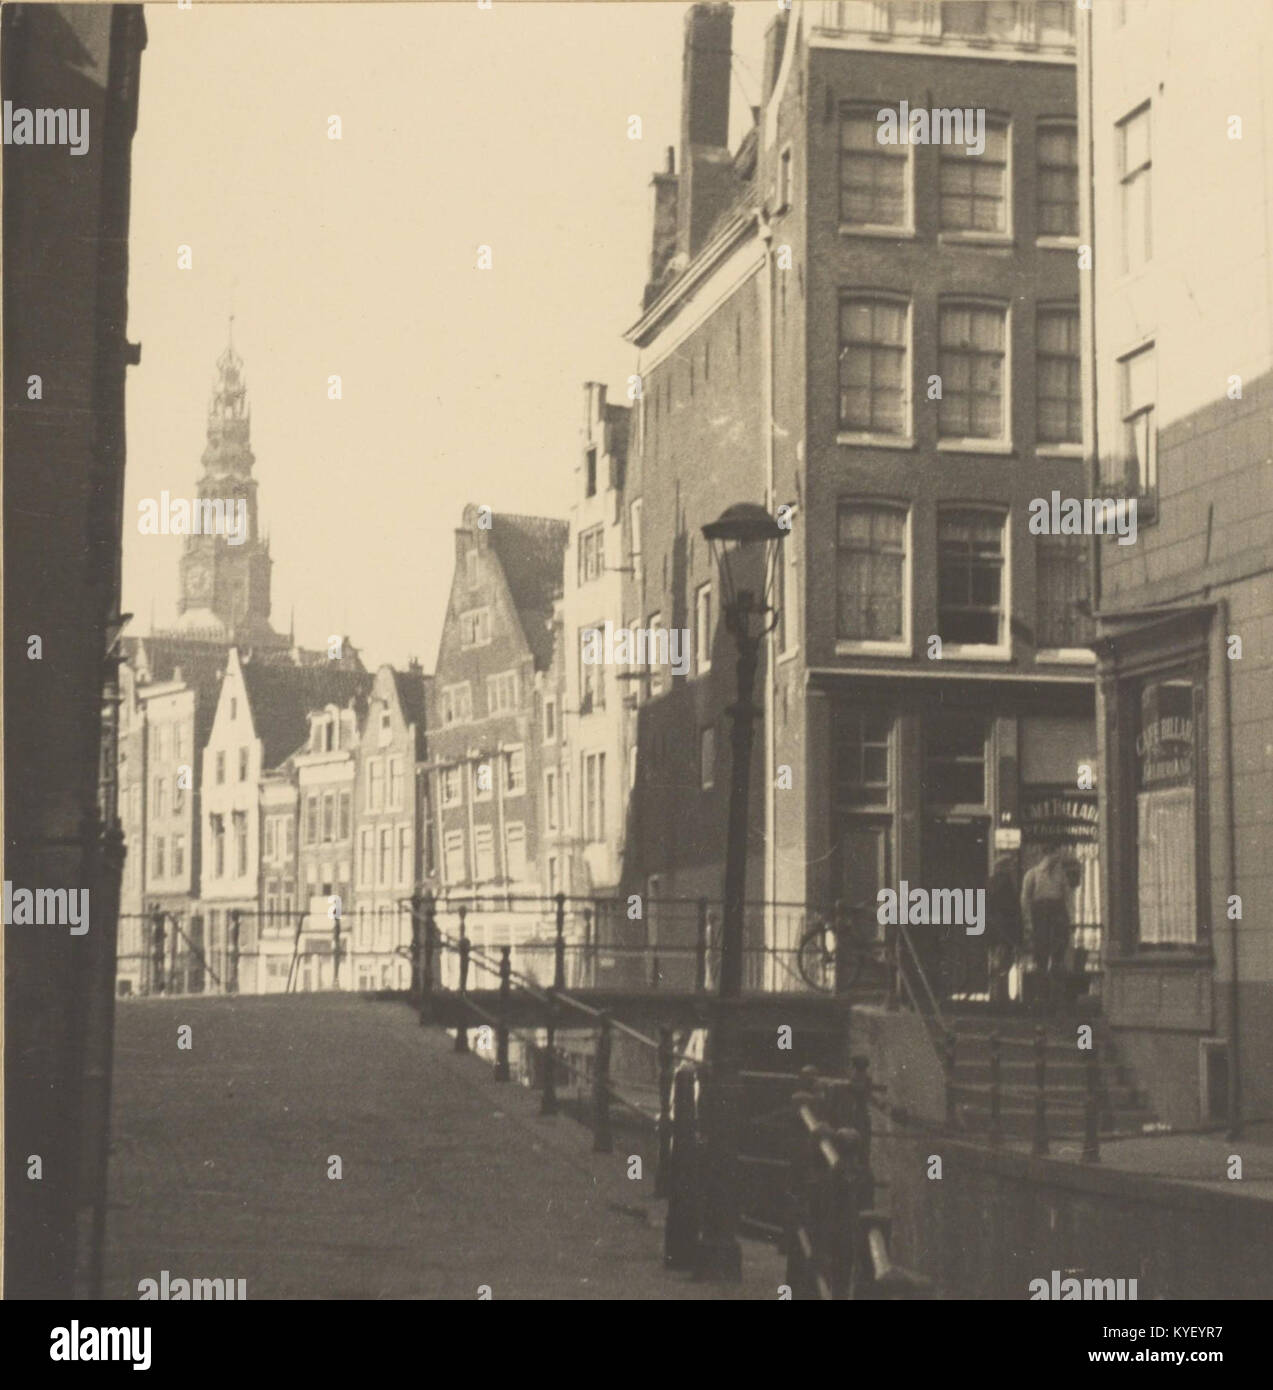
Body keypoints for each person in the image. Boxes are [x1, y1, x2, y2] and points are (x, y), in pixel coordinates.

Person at [1020, 847, 1072, 1013]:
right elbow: (1025, 899)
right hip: (1040, 915)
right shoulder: (1032, 874)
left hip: (1057, 915)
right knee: (1041, 954)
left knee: (1058, 953)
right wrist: (1028, 922)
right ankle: (1041, 995)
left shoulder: (1060, 876)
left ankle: (1057, 996)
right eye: (1050, 855)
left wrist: (1068, 918)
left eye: (1054, 856)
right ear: (1043, 856)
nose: (1052, 859)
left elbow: (1067, 897)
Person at [985, 855, 1022, 1007]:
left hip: (992, 931)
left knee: (996, 962)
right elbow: (1013, 909)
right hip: (1005, 930)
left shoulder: (990, 883)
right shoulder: (1007, 884)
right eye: (1010, 866)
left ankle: (995, 995)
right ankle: (1001, 997)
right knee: (1004, 963)